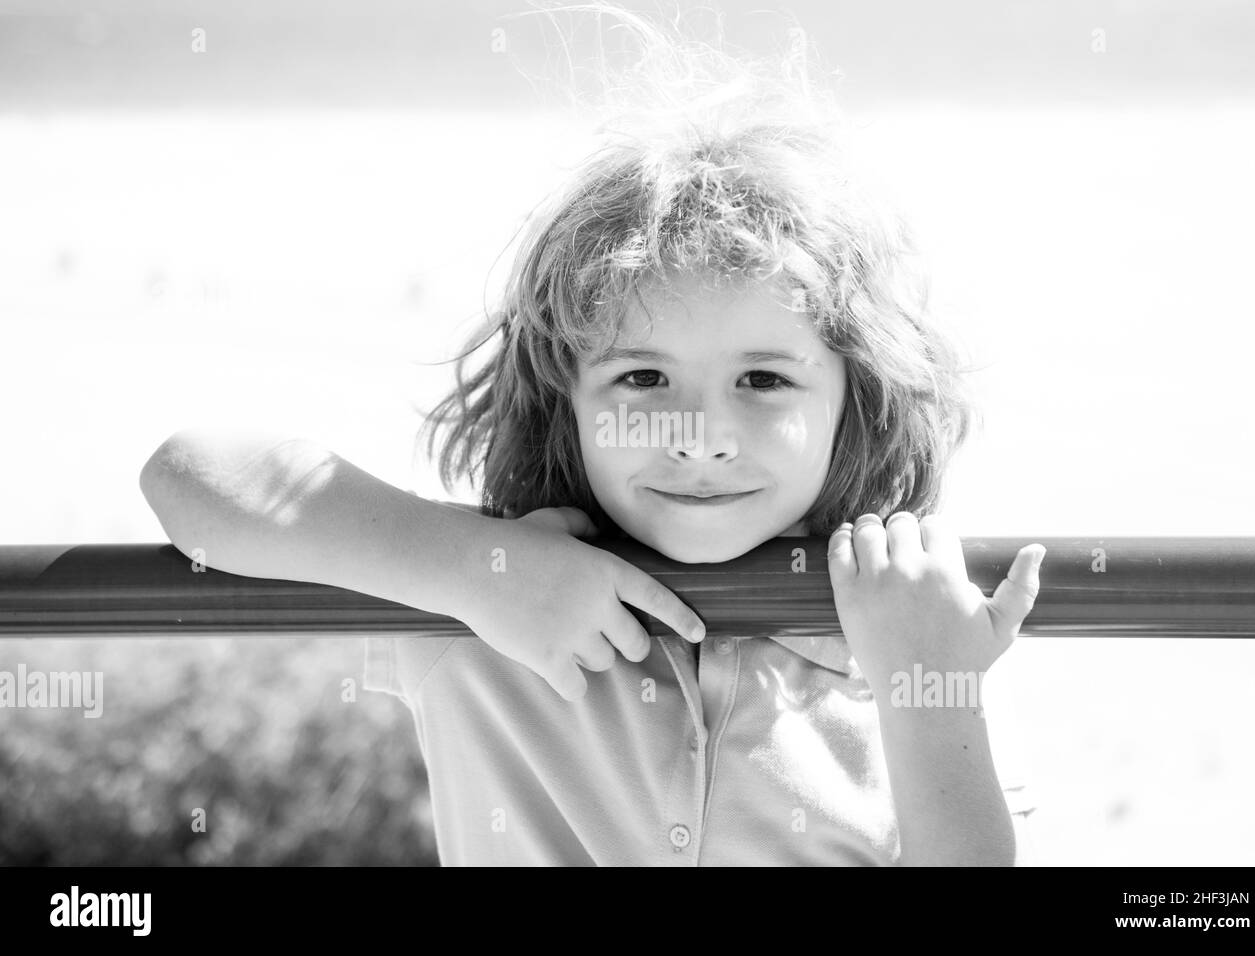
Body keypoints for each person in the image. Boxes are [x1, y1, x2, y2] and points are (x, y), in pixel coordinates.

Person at [140, 3, 1044, 865]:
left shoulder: (919, 633)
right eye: (643, 378)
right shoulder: (480, 605)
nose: (701, 437)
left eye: (763, 380)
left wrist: (933, 691)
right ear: (561, 399)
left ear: (861, 399)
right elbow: (189, 479)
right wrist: (470, 569)